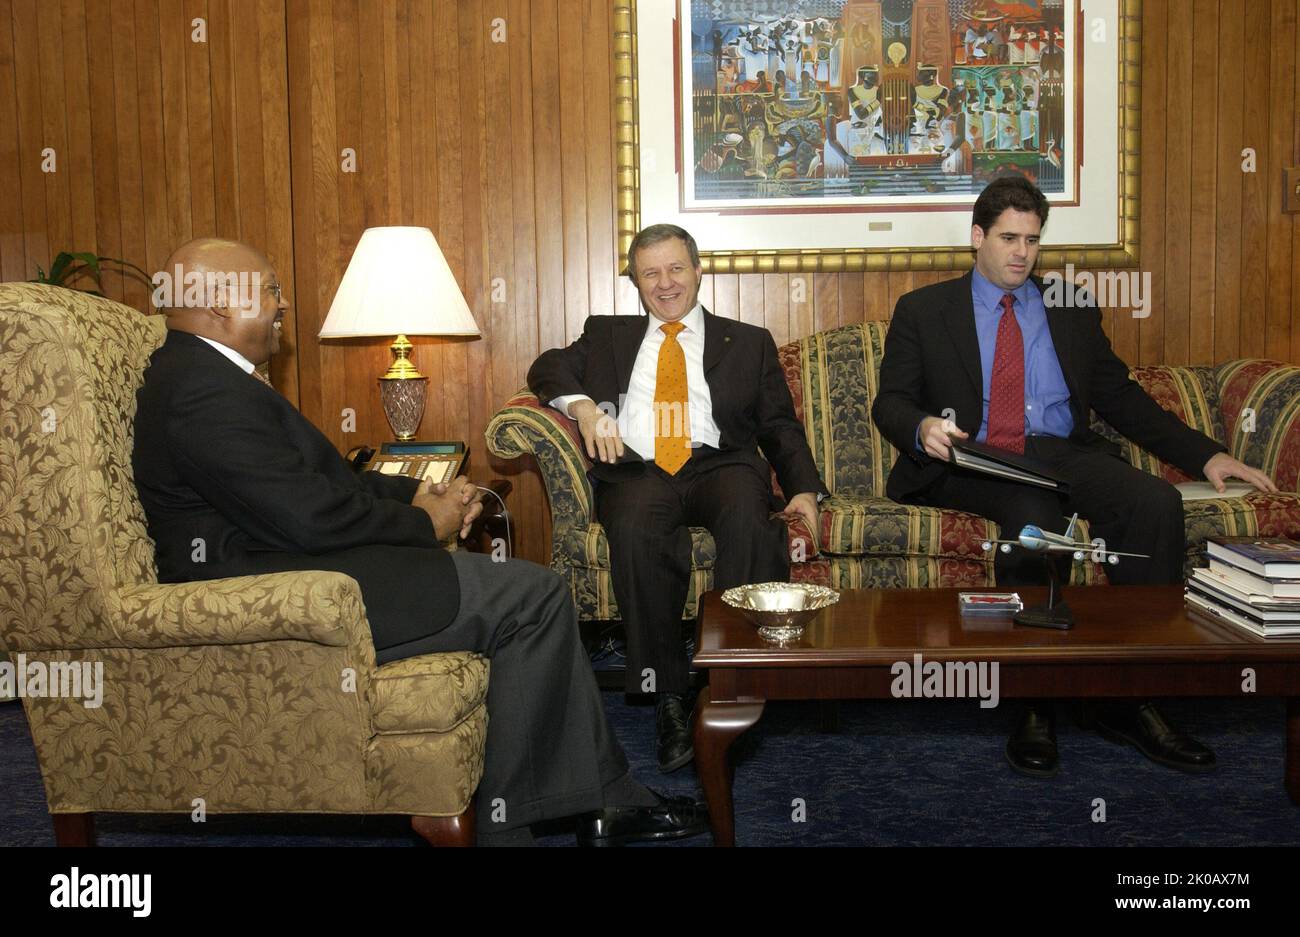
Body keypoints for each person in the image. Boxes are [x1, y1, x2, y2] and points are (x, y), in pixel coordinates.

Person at [132, 237, 709, 847]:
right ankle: (535, 821)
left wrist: (415, 495)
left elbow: (324, 481)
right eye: (271, 289)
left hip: (302, 563)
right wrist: (422, 526)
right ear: (223, 302)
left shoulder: (213, 375)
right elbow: (304, 517)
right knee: (533, 597)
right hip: (283, 591)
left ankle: (591, 803)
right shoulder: (200, 391)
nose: (283, 305)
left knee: (529, 589)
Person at [871, 177, 1276, 779]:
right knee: (1035, 515)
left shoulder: (1068, 304)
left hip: (1057, 451)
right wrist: (924, 424)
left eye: (1032, 240)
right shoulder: (925, 309)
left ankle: (1130, 697)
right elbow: (890, 402)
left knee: (1153, 502)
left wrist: (1208, 456)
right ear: (977, 237)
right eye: (1008, 237)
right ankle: (1033, 703)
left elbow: (1118, 395)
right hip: (968, 455)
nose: (1021, 253)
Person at [528, 224, 827, 772]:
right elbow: (547, 368)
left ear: (696, 270)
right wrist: (585, 409)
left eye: (675, 269)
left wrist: (805, 488)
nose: (665, 284)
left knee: (748, 519)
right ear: (636, 282)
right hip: (639, 469)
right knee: (637, 528)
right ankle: (668, 694)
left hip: (720, 462)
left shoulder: (749, 340)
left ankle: (730, 682)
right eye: (650, 274)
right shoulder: (607, 334)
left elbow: (779, 426)